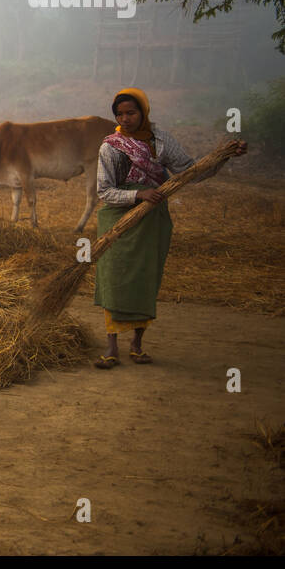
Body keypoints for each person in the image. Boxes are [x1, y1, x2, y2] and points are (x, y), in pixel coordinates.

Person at [93, 88, 247, 368]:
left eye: (131, 112)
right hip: (118, 221)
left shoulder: (161, 141)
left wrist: (224, 156)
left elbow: (190, 172)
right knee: (115, 280)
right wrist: (138, 195)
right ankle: (111, 346)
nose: (125, 119)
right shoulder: (111, 146)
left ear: (144, 112)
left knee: (145, 278)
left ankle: (137, 345)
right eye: (119, 114)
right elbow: (104, 192)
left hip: (152, 220)